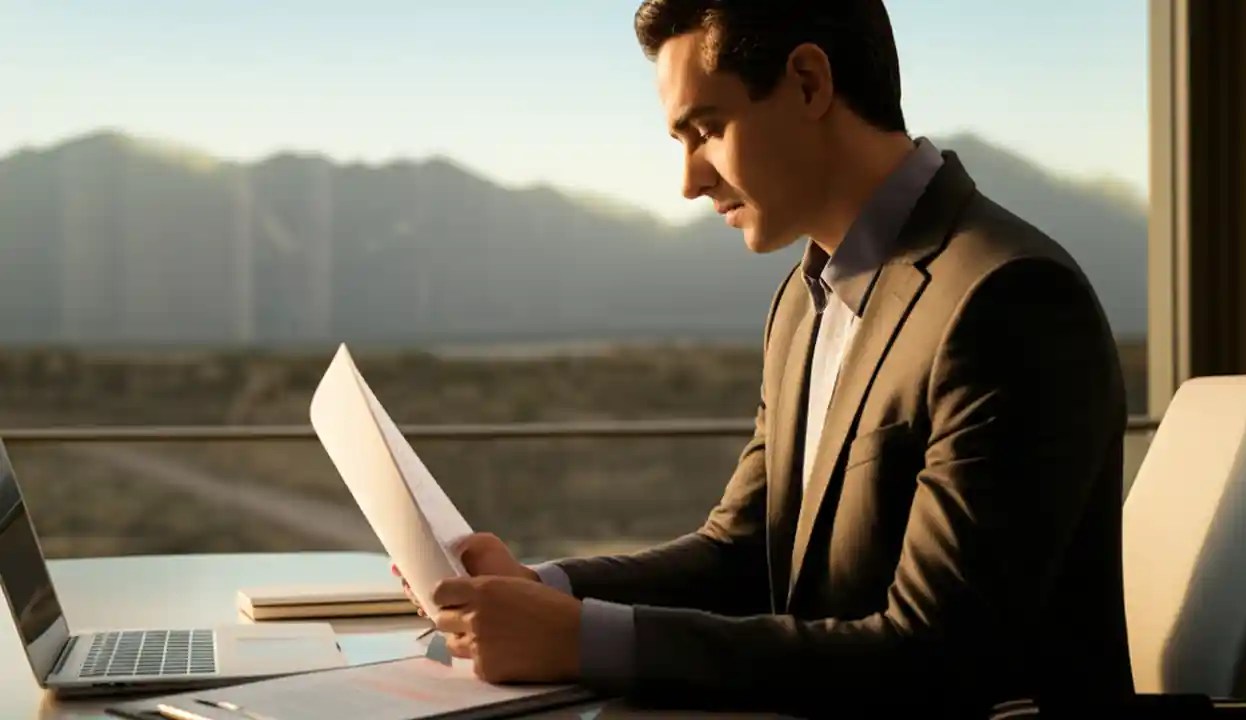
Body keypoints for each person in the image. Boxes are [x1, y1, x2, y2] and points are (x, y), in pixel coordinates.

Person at [395, 1, 1135, 716]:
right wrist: (544, 592)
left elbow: (938, 657)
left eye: (707, 130)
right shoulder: (803, 299)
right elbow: (741, 555)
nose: (689, 180)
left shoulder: (1009, 301)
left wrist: (580, 641)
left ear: (809, 83)